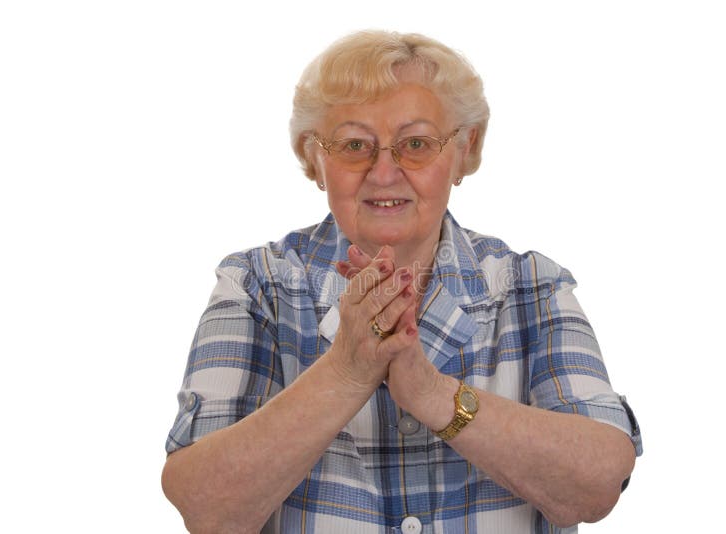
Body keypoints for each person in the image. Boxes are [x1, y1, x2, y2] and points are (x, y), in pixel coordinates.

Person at [161, 30, 643, 534]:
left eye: (416, 144)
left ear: (464, 150)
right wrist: (345, 371)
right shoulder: (257, 285)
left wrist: (434, 394)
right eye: (353, 145)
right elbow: (206, 508)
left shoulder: (531, 287)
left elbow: (597, 483)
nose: (384, 172)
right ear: (314, 159)